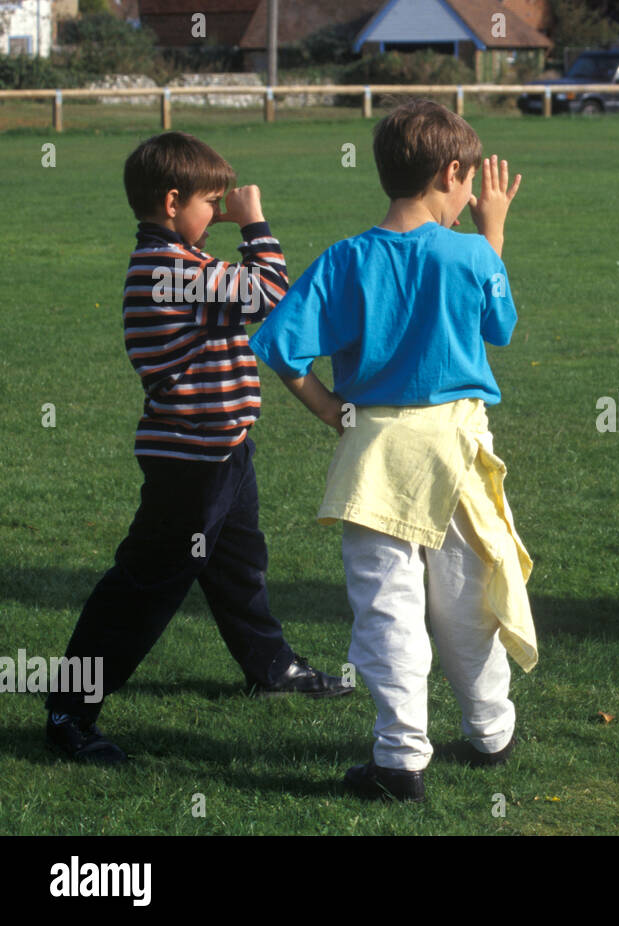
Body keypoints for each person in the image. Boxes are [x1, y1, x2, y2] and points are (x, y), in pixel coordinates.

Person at [251, 100, 537, 802]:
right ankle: (491, 731)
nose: (473, 197)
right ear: (450, 172)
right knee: (469, 604)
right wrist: (492, 233)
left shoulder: (346, 259)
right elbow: (498, 324)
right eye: (470, 183)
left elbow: (282, 348)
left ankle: (399, 759)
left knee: (387, 609)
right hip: (458, 455)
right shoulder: (471, 252)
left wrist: (330, 410)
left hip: (375, 455)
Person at [45, 131, 349, 765]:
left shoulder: (184, 266)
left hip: (225, 451)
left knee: (239, 568)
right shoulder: (170, 273)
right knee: (145, 586)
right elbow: (268, 293)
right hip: (190, 464)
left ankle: (270, 666)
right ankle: (69, 712)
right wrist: (256, 220)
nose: (222, 212)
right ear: (173, 200)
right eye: (214, 201)